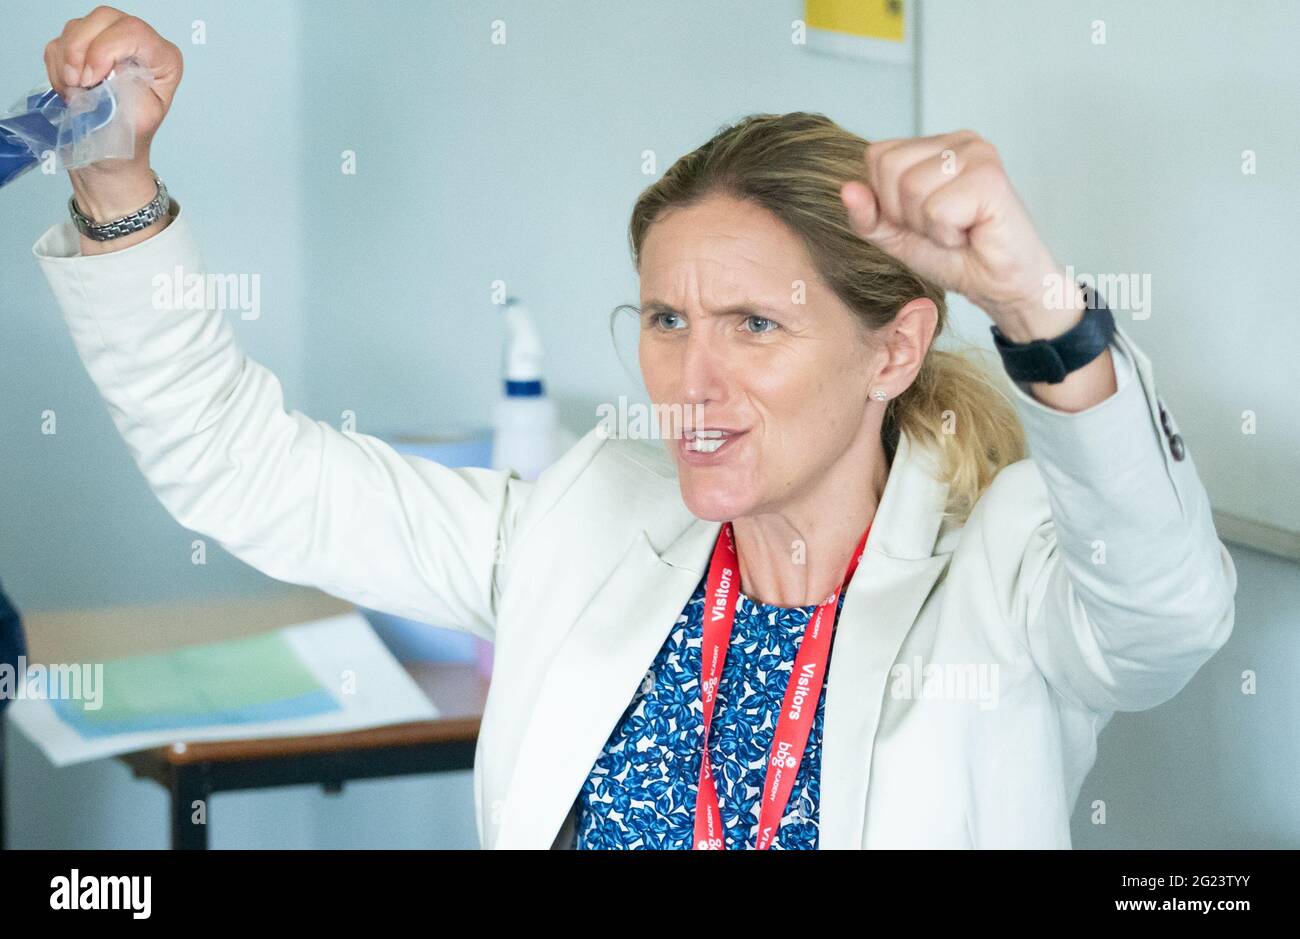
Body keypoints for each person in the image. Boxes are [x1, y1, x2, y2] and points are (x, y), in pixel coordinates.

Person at [31, 8, 1236, 849]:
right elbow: (238, 466)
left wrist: (1039, 311)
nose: (691, 383)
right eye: (667, 317)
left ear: (894, 347)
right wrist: (112, 187)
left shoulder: (1010, 568)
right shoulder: (586, 522)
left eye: (755, 325)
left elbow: (1166, 613)